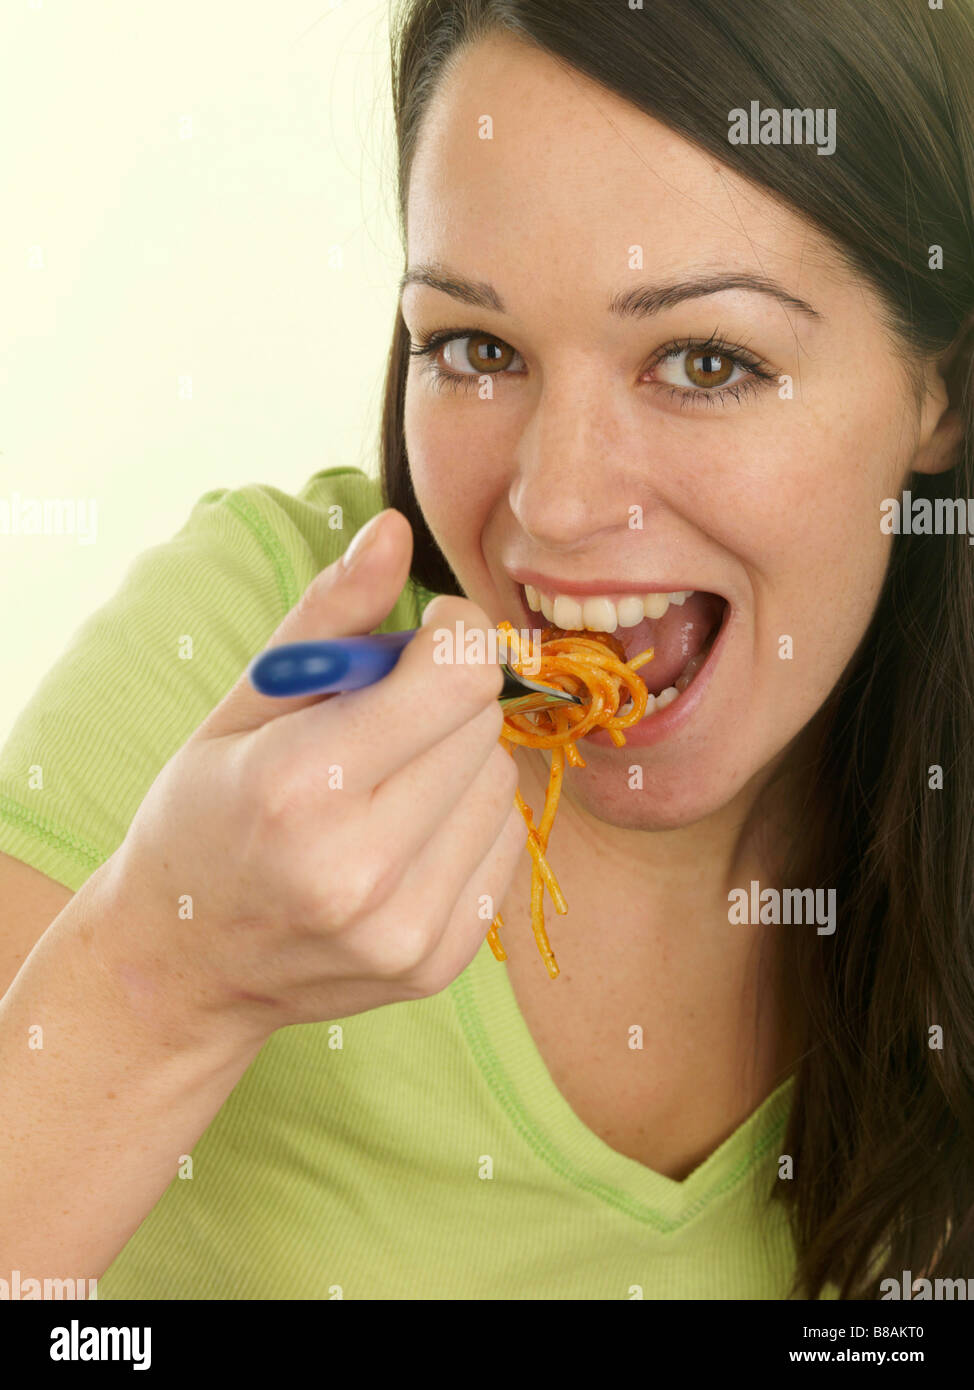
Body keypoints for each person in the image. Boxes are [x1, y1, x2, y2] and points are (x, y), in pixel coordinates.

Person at [1, 0, 972, 1301]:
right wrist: (162, 974)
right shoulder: (245, 660)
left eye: (703, 359)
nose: (553, 503)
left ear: (939, 393)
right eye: (476, 347)